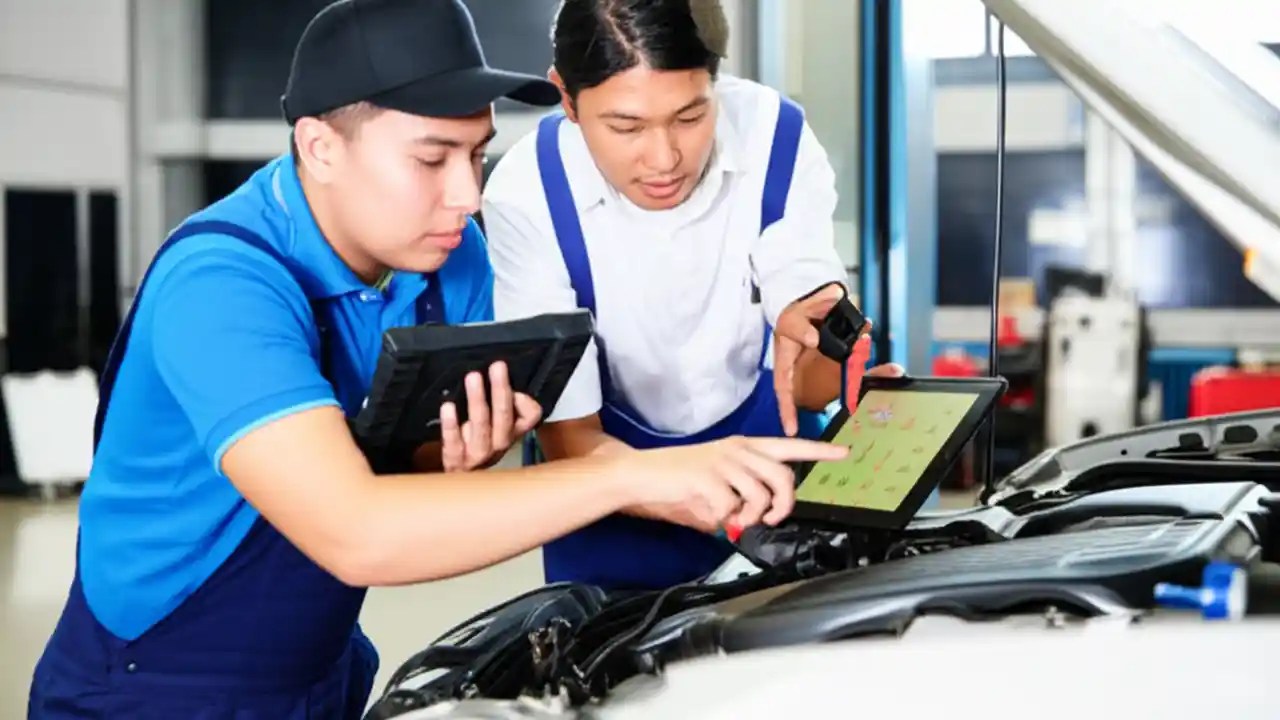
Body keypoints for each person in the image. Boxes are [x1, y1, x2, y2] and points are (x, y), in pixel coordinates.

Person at [27, 1, 848, 718]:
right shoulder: (220, 286)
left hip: (321, 670)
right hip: (154, 685)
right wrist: (633, 475)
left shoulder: (444, 263)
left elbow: (399, 475)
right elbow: (354, 532)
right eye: (431, 160)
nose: (468, 194)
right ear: (319, 147)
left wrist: (455, 456)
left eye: (476, 155)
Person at [482, 0, 902, 592]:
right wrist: (717, 501)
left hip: (779, 510)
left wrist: (842, 372)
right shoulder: (530, 193)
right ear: (567, 98)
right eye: (626, 127)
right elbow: (570, 438)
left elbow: (802, 380)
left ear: (715, 82)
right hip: (612, 518)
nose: (665, 159)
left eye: (690, 116)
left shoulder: (773, 137)